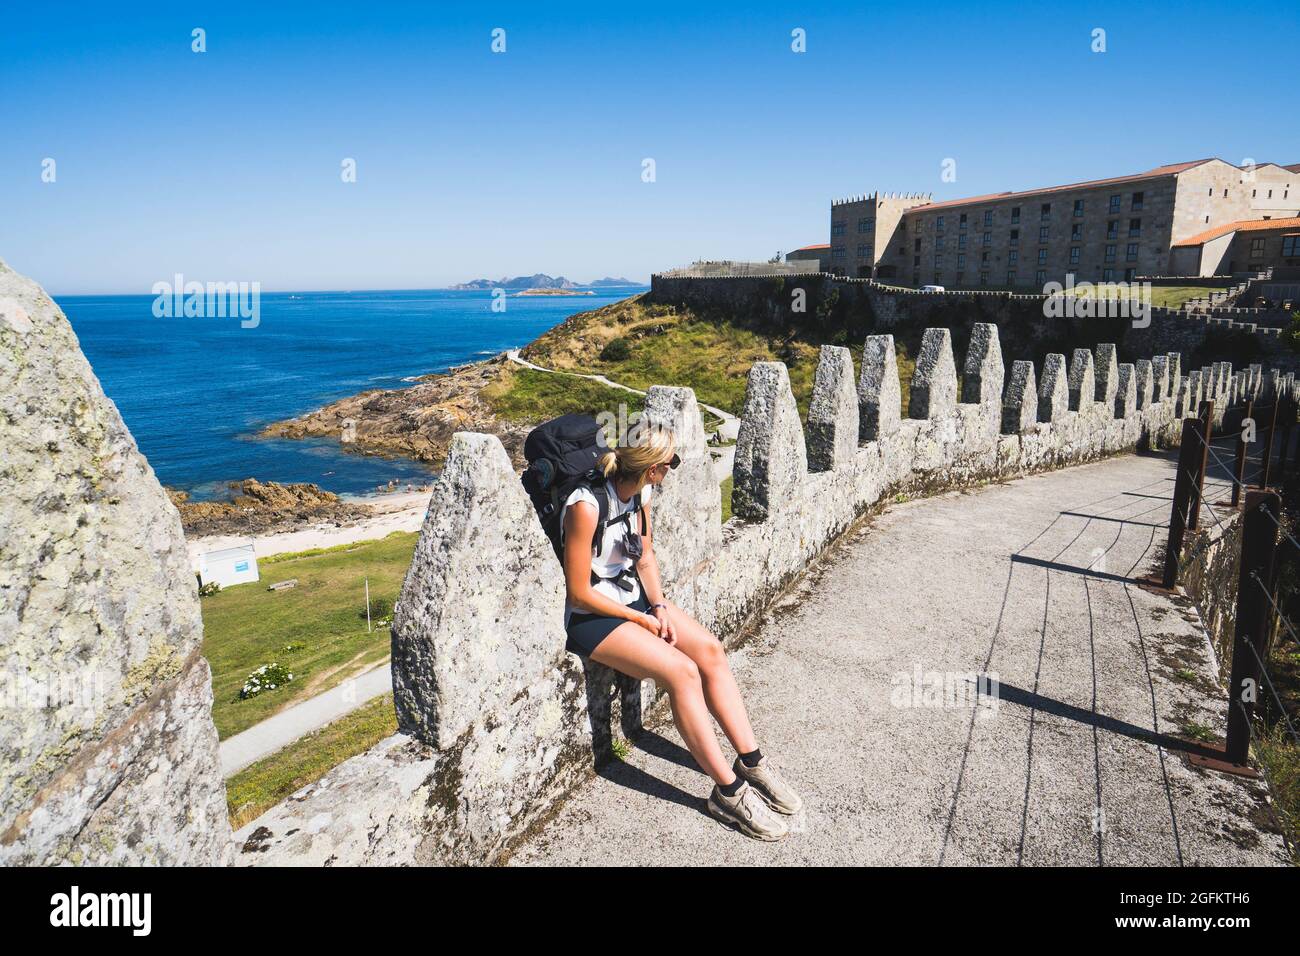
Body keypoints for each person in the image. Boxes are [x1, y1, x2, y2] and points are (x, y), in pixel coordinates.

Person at [560, 424, 802, 841]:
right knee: (681, 673)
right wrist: (640, 621)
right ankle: (728, 793)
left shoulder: (641, 494)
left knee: (709, 650)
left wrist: (658, 607)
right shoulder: (586, 505)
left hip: (634, 599)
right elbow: (579, 592)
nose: (673, 467)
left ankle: (751, 760)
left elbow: (645, 556)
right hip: (593, 616)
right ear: (653, 468)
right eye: (671, 462)